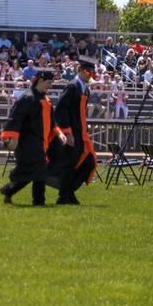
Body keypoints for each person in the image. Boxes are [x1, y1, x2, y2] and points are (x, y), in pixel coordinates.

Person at [0, 69, 66, 207]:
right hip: (27, 141)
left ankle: (8, 190)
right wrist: (12, 137)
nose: (50, 85)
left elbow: (52, 121)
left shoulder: (45, 100)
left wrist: (59, 132)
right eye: (49, 82)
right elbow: (15, 119)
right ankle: (39, 201)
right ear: (40, 81)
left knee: (30, 172)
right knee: (39, 169)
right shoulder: (28, 98)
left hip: (41, 141)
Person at [52, 57, 98, 205]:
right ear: (80, 70)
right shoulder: (72, 87)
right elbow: (60, 109)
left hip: (81, 133)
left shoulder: (85, 88)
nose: (90, 75)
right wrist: (67, 132)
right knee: (70, 164)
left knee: (88, 162)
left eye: (92, 72)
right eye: (88, 72)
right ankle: (64, 196)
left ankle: (69, 192)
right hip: (72, 133)